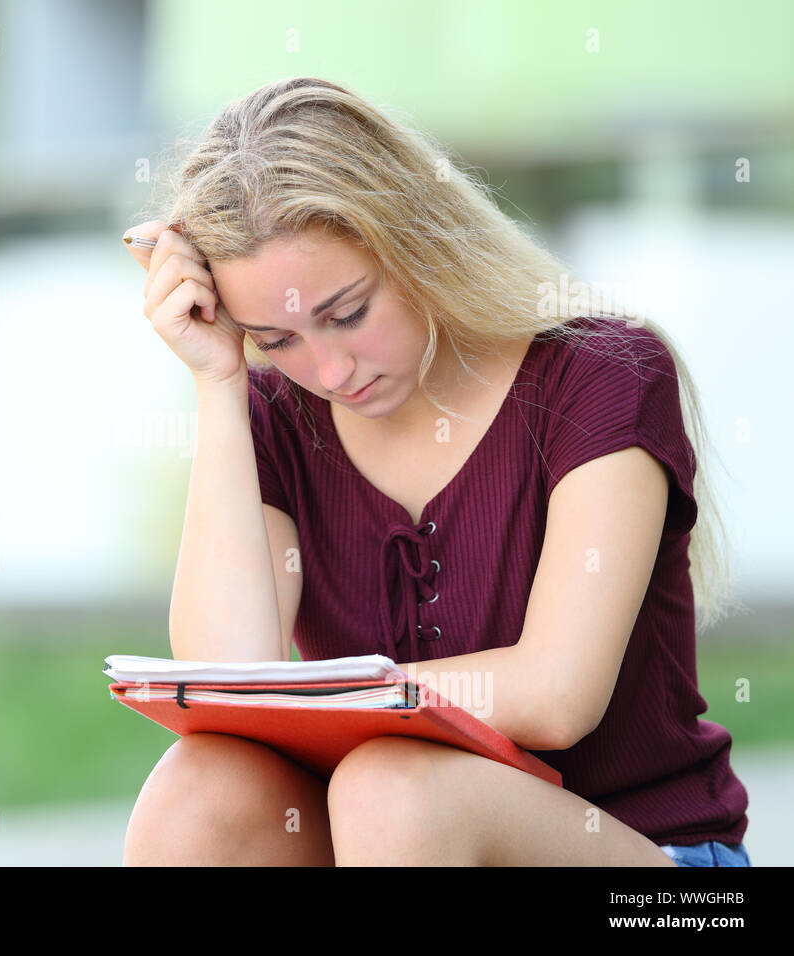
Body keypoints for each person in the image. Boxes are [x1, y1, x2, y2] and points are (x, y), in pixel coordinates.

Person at [119, 77, 750, 867]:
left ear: (414, 241)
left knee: (393, 790)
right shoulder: (273, 416)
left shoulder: (602, 373)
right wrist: (219, 381)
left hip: (648, 868)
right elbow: (230, 686)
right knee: (200, 790)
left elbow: (556, 695)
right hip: (389, 842)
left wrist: (337, 708)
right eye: (275, 339)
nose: (331, 367)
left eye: (347, 313)